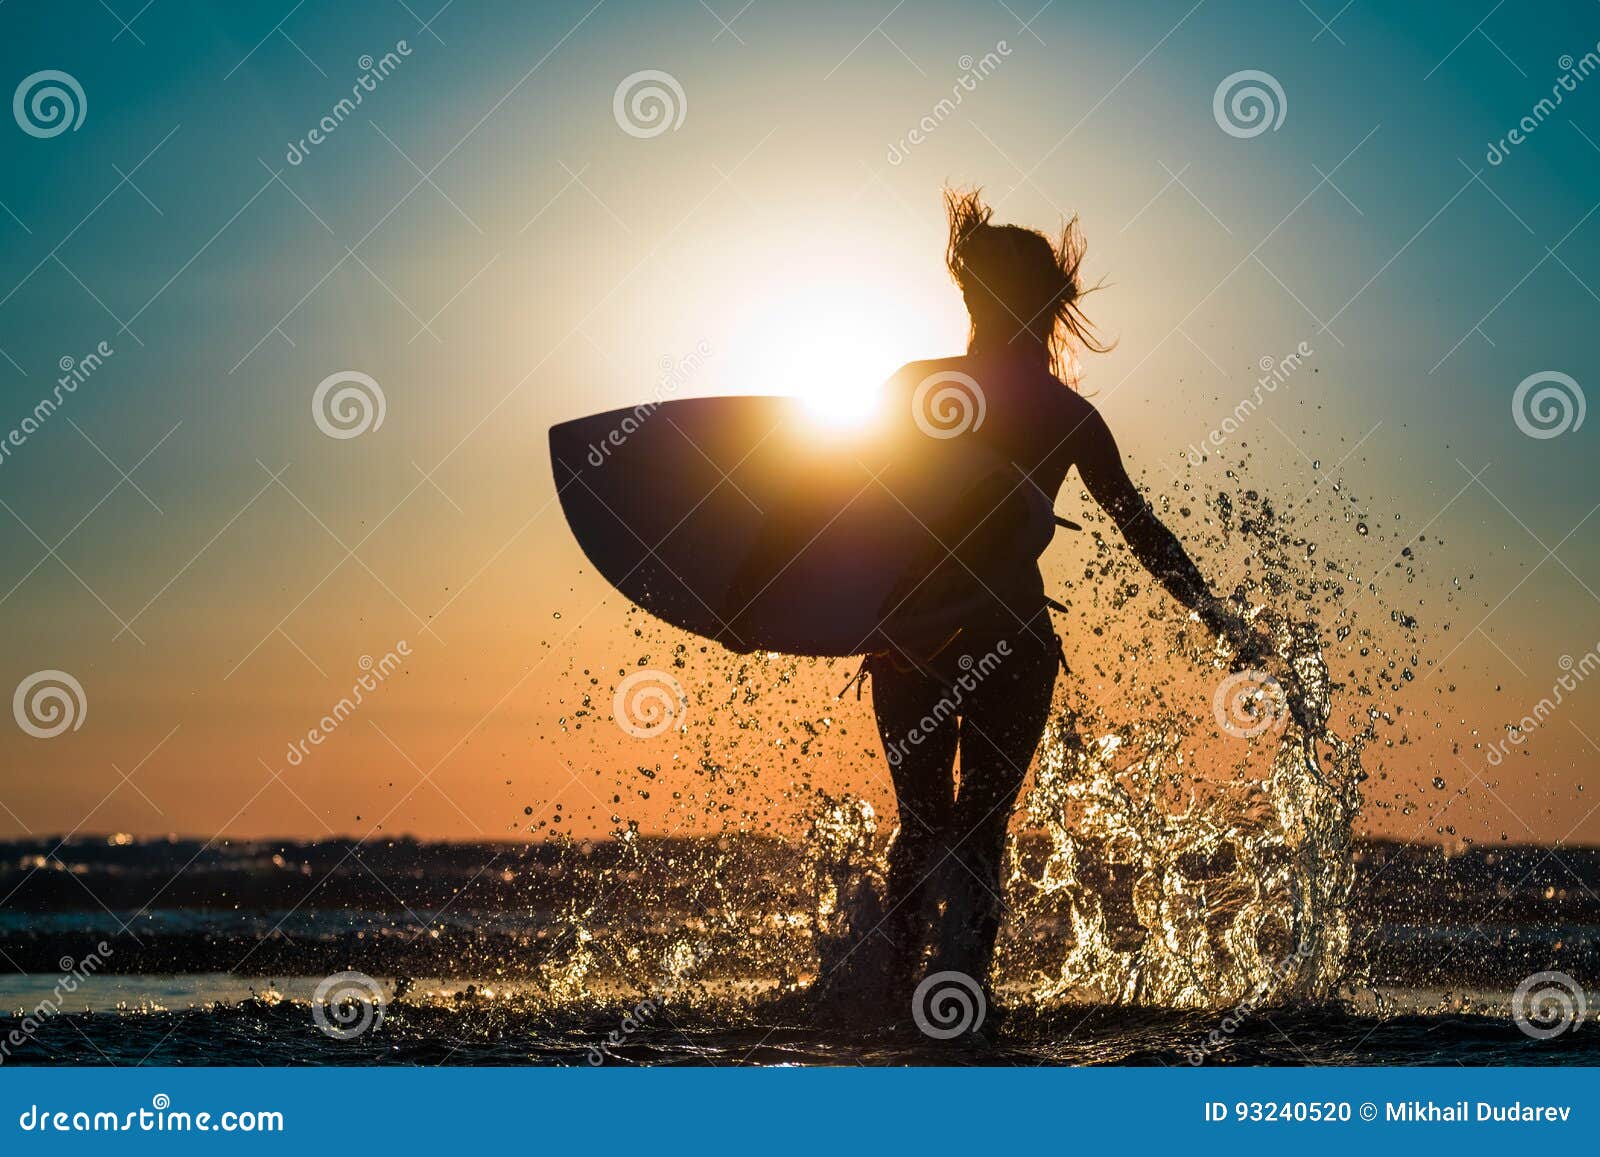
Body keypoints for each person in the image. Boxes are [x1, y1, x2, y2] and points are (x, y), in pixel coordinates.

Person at [853, 189, 1302, 1020]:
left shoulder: (922, 389)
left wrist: (793, 604)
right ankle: (955, 1010)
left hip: (923, 636)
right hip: (997, 640)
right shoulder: (1063, 412)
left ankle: (894, 1008)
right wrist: (1220, 621)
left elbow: (851, 513)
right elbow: (1144, 531)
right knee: (975, 825)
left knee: (926, 822)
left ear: (985, 297)